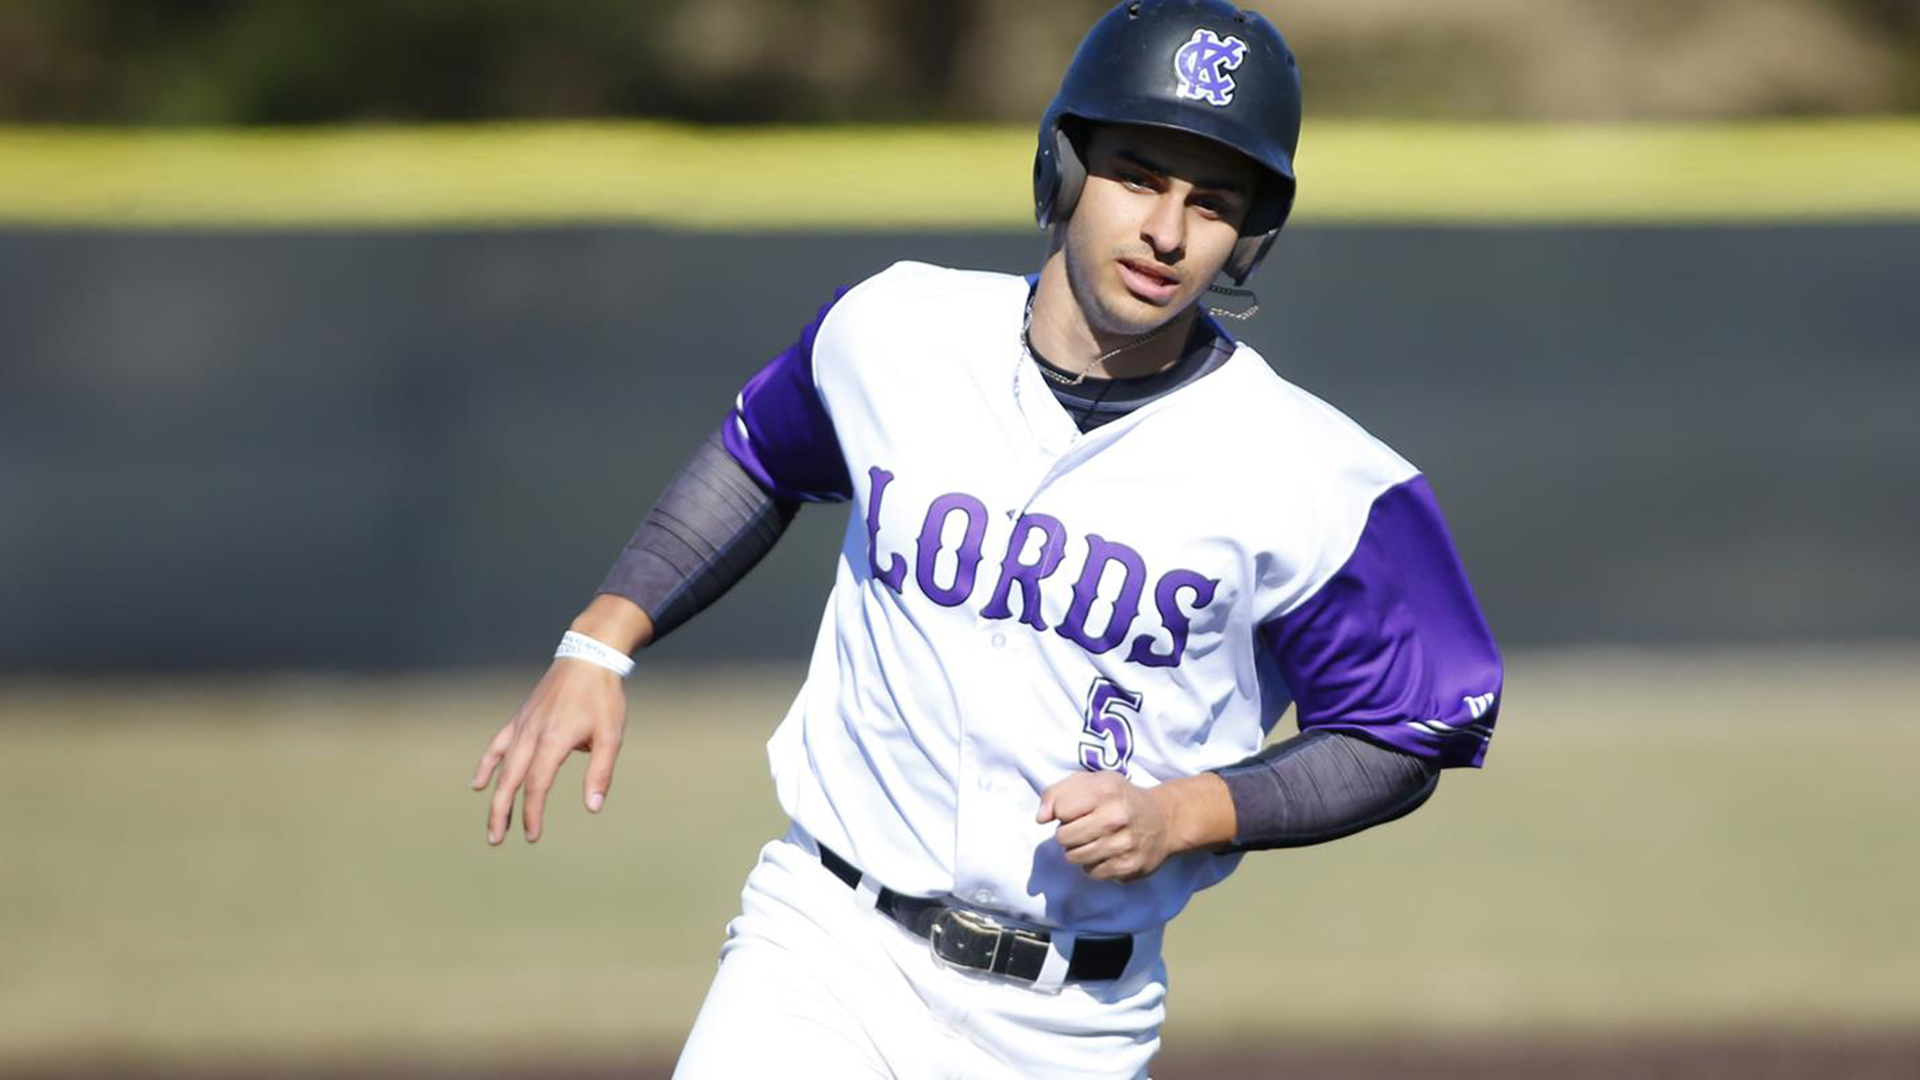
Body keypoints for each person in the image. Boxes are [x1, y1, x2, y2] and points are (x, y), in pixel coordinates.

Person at [470, 2, 1502, 1076]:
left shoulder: (1321, 477)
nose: (1167, 230)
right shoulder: (898, 332)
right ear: (1064, 168)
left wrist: (1194, 811)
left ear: (1251, 234)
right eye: (1139, 176)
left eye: (1213, 202)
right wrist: (600, 641)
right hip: (826, 949)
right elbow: (760, 454)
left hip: (1074, 1021)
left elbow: (1408, 726)